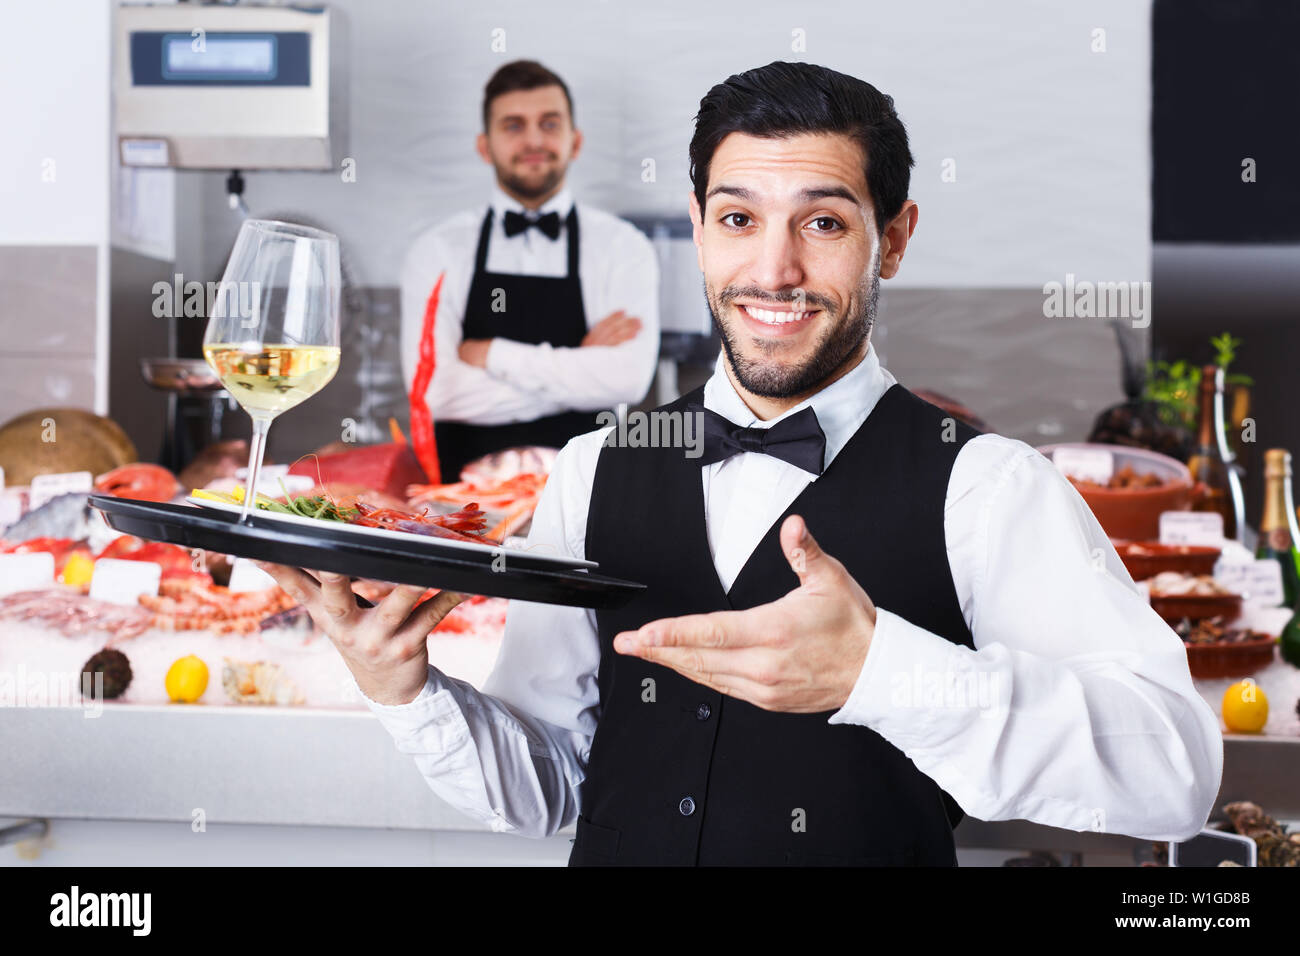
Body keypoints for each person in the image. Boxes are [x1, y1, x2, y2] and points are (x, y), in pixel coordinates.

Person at [262, 61, 1222, 866]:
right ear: (698, 224)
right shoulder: (593, 470)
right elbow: (552, 780)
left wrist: (885, 671)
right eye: (737, 219)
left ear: (893, 237)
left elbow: (1175, 774)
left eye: (824, 222)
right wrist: (405, 690)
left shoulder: (987, 485)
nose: (773, 271)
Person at [400, 59, 659, 480]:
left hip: (589, 494)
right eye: (514, 125)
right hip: (456, 501)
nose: (534, 139)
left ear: (575, 141)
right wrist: (581, 370)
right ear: (485, 147)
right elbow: (433, 394)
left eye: (550, 123)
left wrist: (491, 355)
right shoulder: (436, 250)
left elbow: (627, 382)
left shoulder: (624, 246)